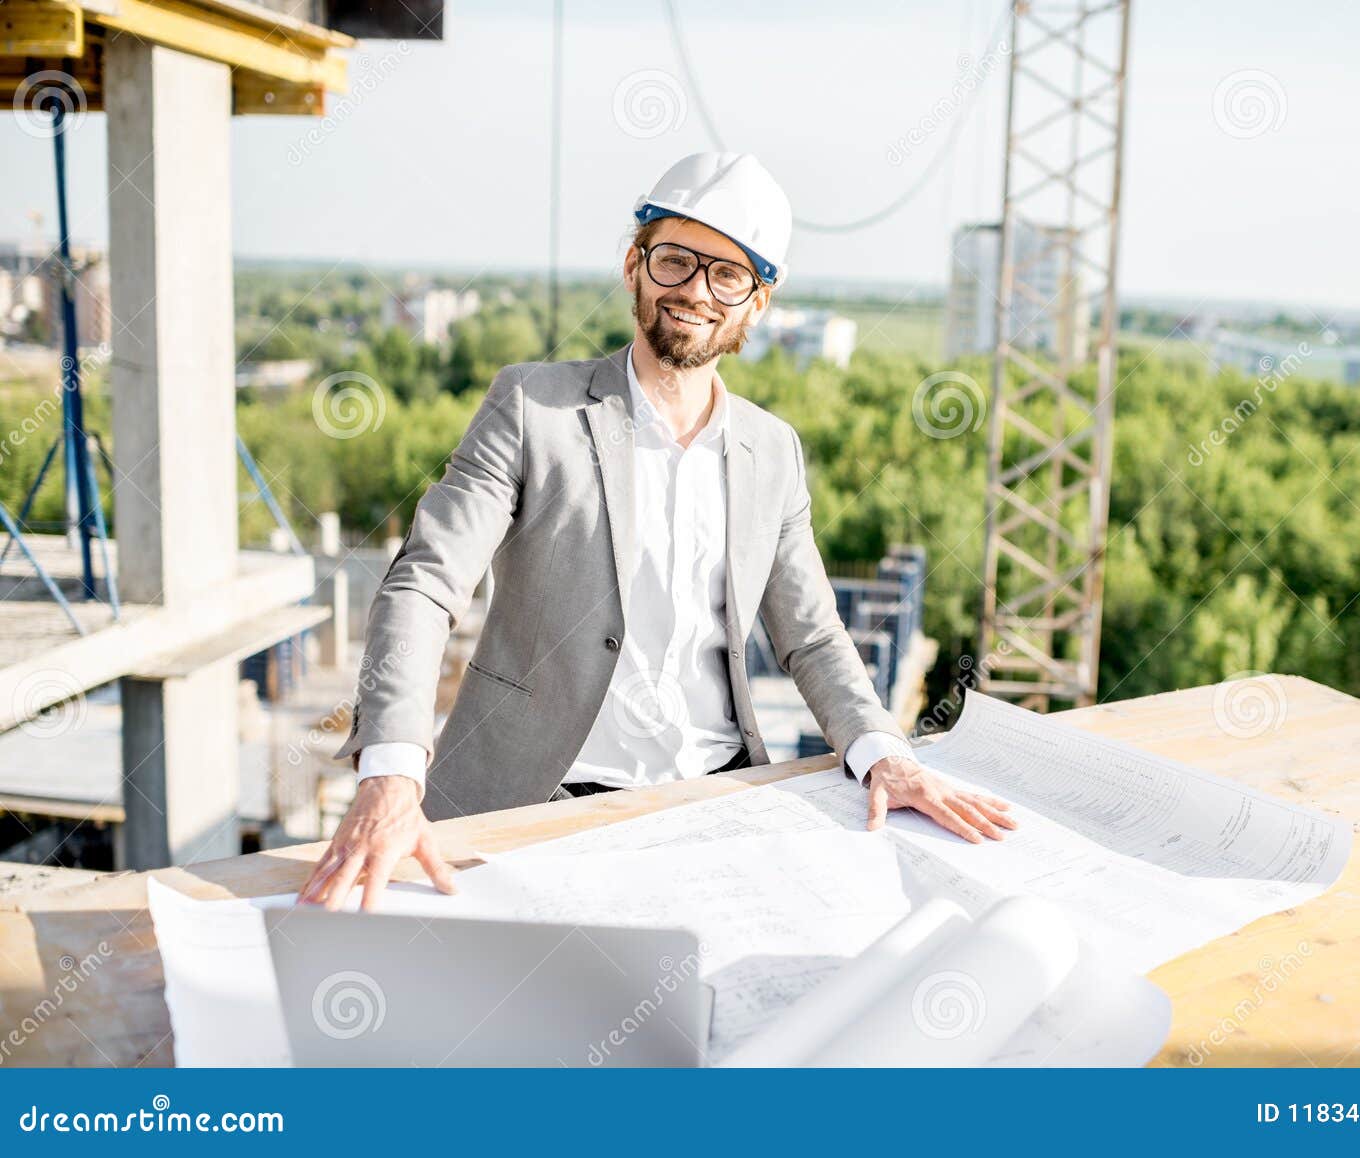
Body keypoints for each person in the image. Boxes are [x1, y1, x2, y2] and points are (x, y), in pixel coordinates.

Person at [299, 153, 1015, 911]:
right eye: (675, 260)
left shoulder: (773, 452)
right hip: (537, 805)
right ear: (634, 265)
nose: (696, 292)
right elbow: (425, 583)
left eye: (728, 275)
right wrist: (390, 772)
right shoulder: (532, 408)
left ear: (757, 304)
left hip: (716, 809)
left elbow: (812, 636)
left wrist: (883, 756)